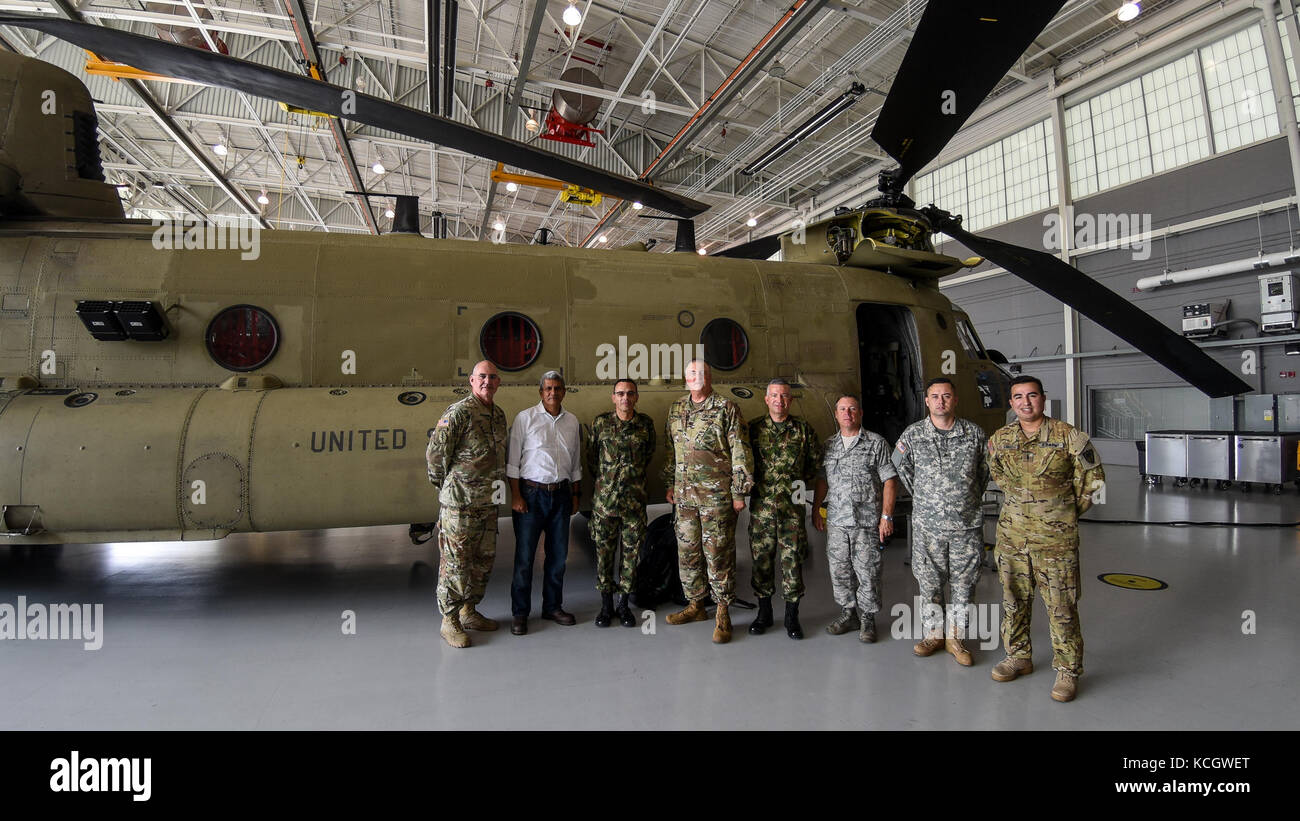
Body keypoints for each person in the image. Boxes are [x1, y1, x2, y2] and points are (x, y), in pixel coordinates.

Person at [987, 375, 1105, 703]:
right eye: (1018, 397)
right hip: (1012, 537)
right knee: (1013, 601)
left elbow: (1094, 478)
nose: (1026, 402)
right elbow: (995, 471)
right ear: (1011, 403)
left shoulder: (1068, 436)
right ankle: (1018, 656)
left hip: (1056, 541)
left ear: (1043, 398)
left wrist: (1064, 510)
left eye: (1032, 395)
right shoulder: (1001, 437)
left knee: (1061, 606)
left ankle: (1068, 671)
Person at [894, 377, 990, 666]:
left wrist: (964, 498)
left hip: (966, 526)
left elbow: (984, 472)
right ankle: (933, 635)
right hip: (928, 527)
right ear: (926, 401)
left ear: (955, 399)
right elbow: (901, 467)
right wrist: (927, 498)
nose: (940, 401)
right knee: (929, 583)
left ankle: (956, 639)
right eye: (934, 396)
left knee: (965, 585)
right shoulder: (912, 435)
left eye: (946, 396)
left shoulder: (974, 434)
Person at [662, 359, 753, 644]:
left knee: (718, 555)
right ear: (685, 378)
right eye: (691, 374)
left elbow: (740, 450)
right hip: (685, 496)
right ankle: (696, 605)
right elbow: (671, 449)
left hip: (717, 497)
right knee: (688, 553)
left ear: (710, 377)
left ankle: (723, 611)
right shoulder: (677, 408)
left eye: (700, 373)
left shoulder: (726, 408)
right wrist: (670, 483)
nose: (695, 378)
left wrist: (739, 492)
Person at [426, 360, 508, 649]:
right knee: (456, 564)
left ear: (498, 382)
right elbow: (436, 454)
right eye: (482, 377)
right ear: (472, 381)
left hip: (488, 503)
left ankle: (469, 611)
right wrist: (447, 487)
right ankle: (449, 621)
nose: (487, 382)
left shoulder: (497, 415)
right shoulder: (459, 413)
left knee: (482, 561)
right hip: (459, 505)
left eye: (492, 377)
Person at [812, 395, 898, 643]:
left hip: (867, 522)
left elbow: (890, 480)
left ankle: (868, 618)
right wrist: (816, 508)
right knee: (839, 570)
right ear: (836, 415)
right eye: (842, 409)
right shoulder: (829, 445)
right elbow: (822, 479)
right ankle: (848, 613)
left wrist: (886, 516)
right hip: (838, 522)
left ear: (860, 413)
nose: (847, 413)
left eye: (852, 409)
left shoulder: (876, 443)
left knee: (868, 571)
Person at [507, 370, 582, 635]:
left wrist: (575, 495)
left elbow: (575, 464)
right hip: (531, 496)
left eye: (557, 388)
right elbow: (513, 463)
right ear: (541, 392)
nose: (553, 393)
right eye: (548, 388)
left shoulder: (572, 421)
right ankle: (520, 613)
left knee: (558, 558)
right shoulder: (524, 419)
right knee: (525, 559)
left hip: (561, 496)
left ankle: (552, 607)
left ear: (564, 391)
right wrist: (516, 496)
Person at [746, 378, 823, 639]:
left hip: (792, 512)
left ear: (790, 400)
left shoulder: (802, 430)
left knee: (793, 563)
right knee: (762, 563)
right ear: (767, 399)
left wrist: (794, 488)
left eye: (785, 396)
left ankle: (792, 618)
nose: (780, 400)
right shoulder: (754, 430)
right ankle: (764, 614)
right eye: (775, 396)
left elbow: (813, 465)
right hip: (762, 511)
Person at [586, 378, 656, 628]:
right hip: (605, 505)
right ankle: (606, 606)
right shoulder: (601, 423)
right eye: (620, 393)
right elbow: (592, 460)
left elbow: (648, 455)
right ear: (613, 397)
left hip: (634, 505)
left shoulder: (645, 425)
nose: (625, 398)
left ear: (636, 397)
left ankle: (624, 605)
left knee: (631, 556)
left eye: (630, 393)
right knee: (604, 556)